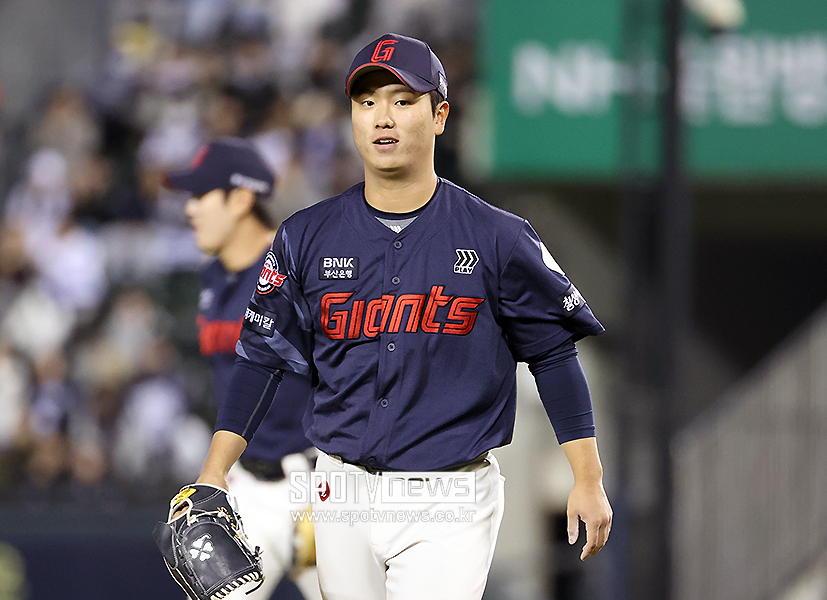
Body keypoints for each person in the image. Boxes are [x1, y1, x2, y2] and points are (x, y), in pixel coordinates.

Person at [192, 34, 613, 600]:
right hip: (338, 487)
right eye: (366, 103)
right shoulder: (305, 236)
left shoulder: (498, 238)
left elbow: (555, 357)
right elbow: (260, 357)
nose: (382, 118)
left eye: (402, 99)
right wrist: (214, 473)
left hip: (450, 493)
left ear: (439, 115)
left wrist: (587, 478)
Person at [164, 138, 319, 600]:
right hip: (246, 484)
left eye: (200, 195)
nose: (189, 209)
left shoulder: (301, 271)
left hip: (315, 481)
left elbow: (356, 377)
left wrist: (337, 480)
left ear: (241, 198)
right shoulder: (213, 278)